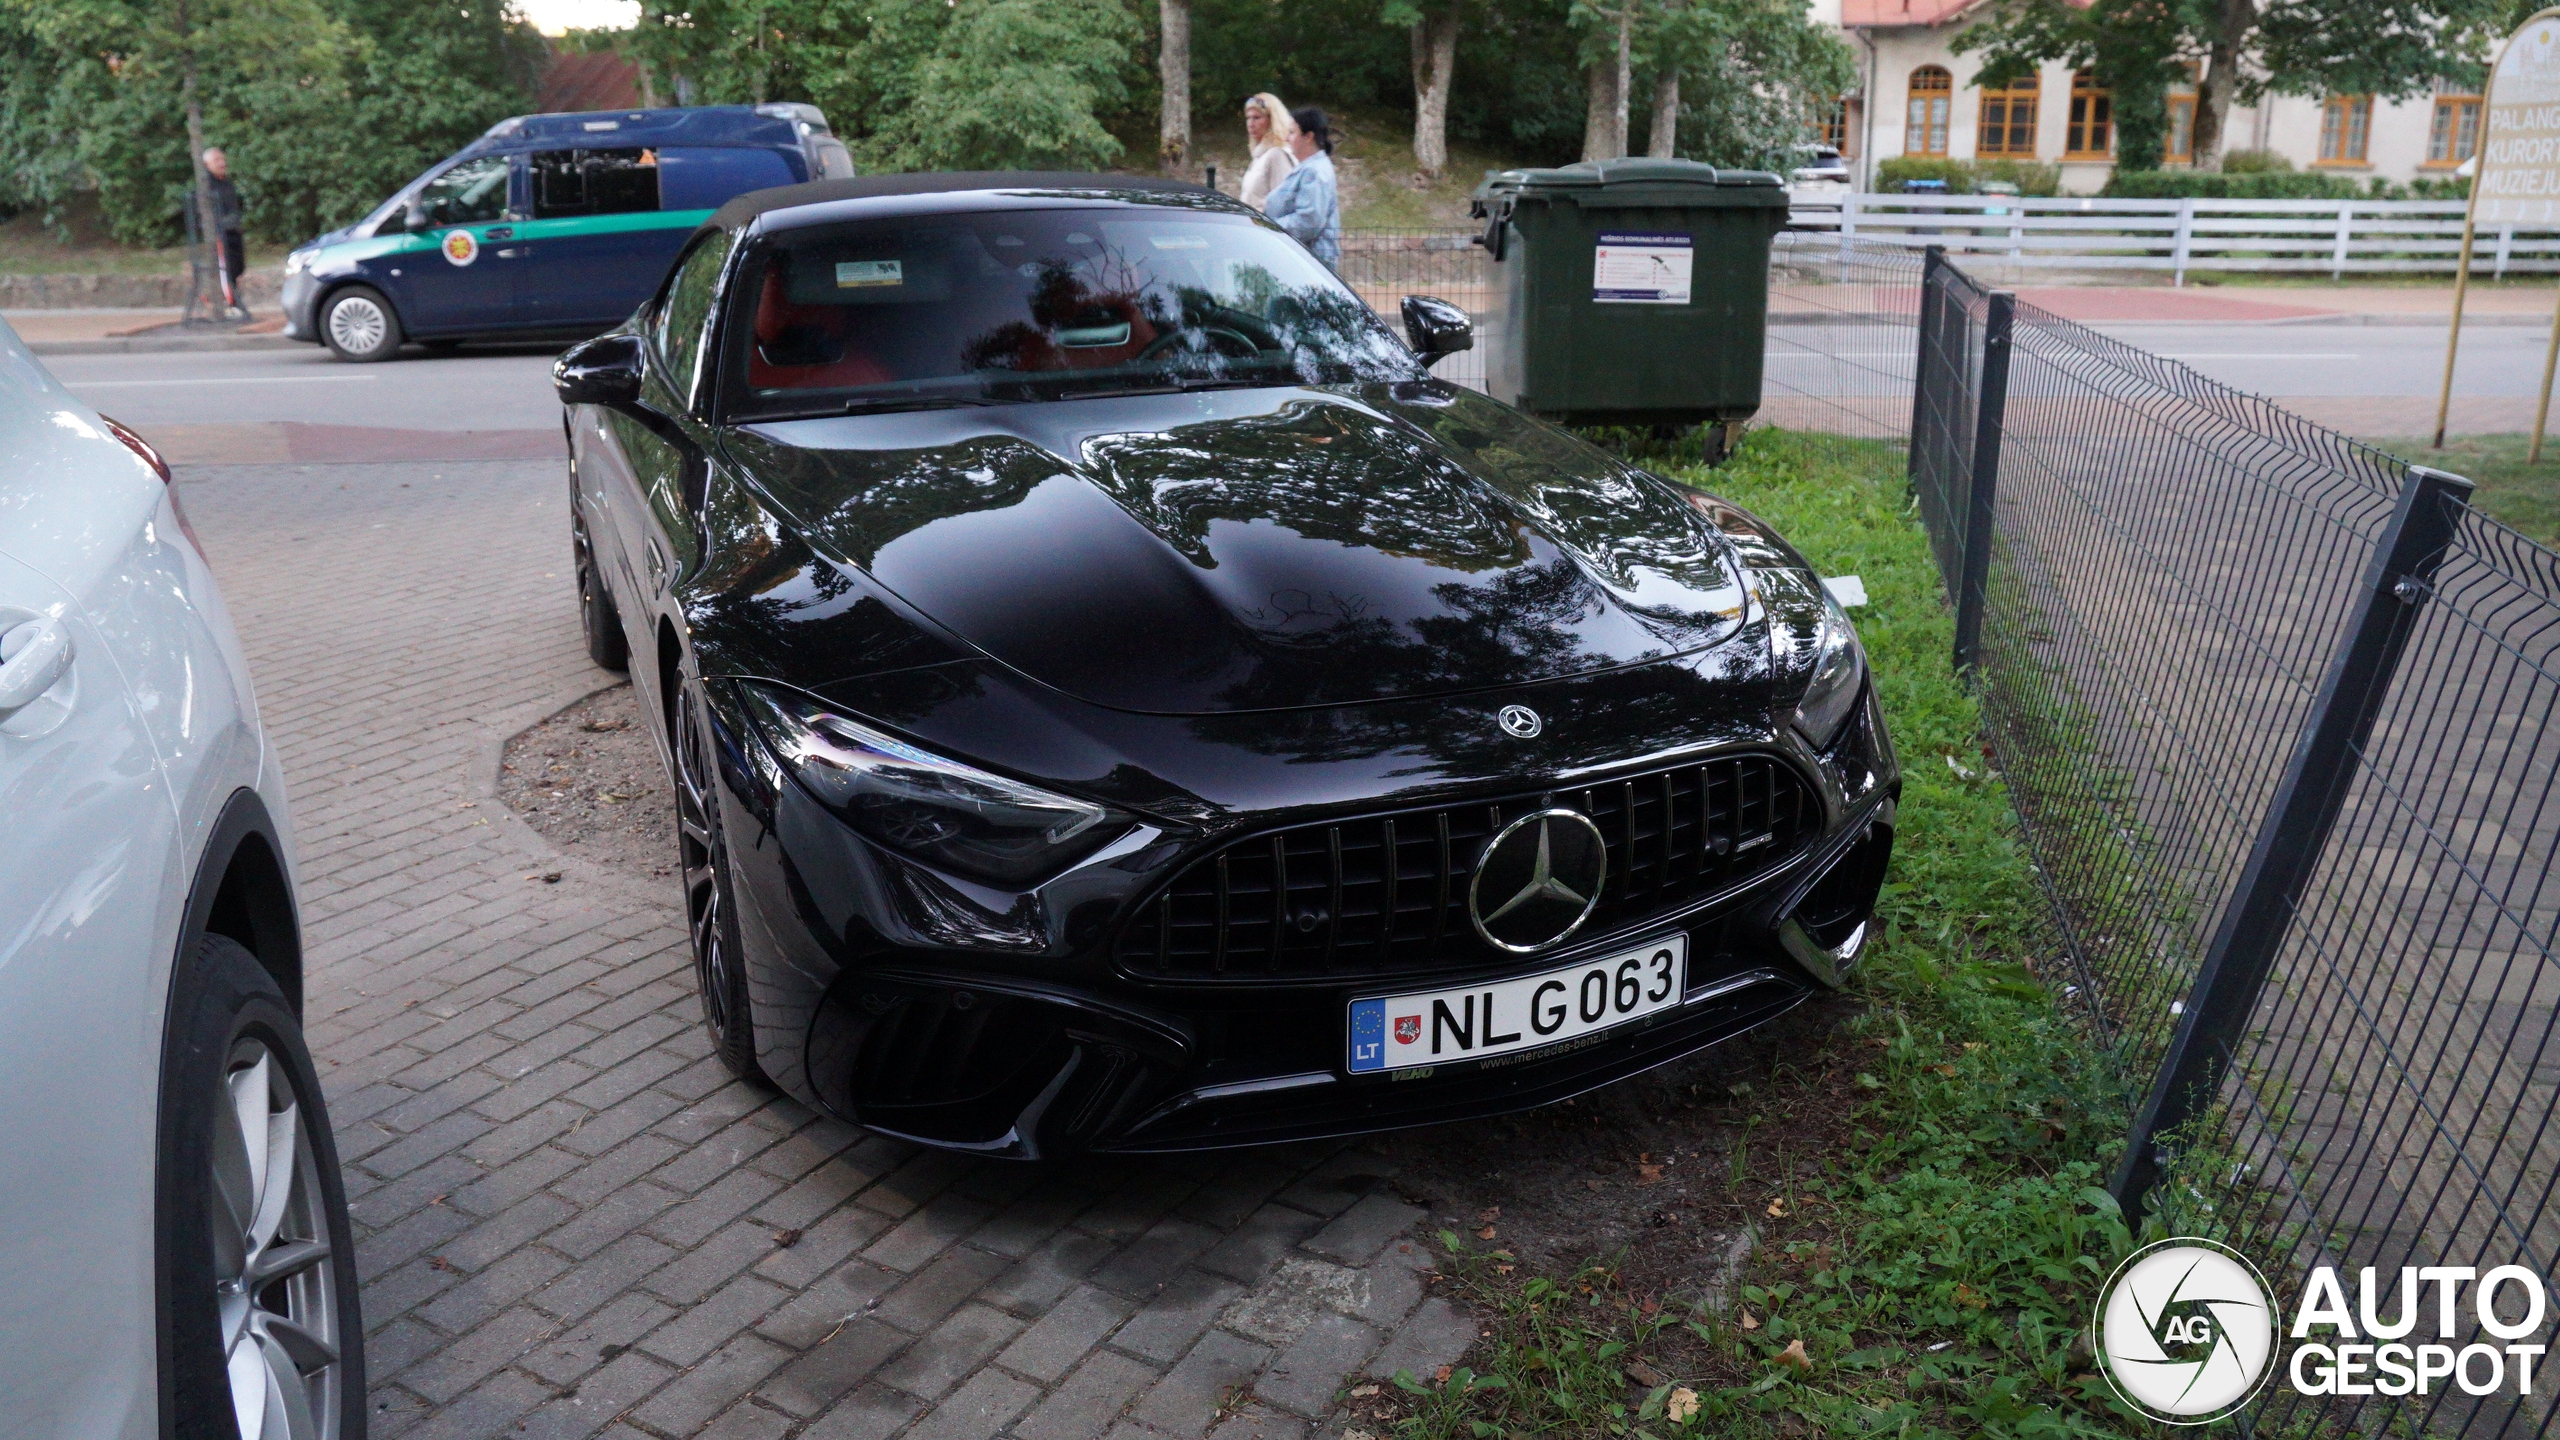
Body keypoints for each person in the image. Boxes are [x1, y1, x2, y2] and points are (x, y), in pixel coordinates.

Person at [1263, 106, 1339, 269]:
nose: (1287, 138)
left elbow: (1308, 221)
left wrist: (1269, 227)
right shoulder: (1309, 168)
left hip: (1312, 264)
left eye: (1292, 132)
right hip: (1305, 260)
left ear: (1308, 137)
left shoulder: (1314, 171)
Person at [202, 147, 247, 317]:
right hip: (220, 234)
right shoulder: (207, 186)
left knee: (238, 267)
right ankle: (232, 304)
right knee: (226, 270)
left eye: (223, 159)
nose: (223, 163)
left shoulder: (227, 183)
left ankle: (212, 297)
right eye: (217, 160)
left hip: (234, 231)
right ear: (207, 165)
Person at [1239, 93, 1297, 211]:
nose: (1250, 124)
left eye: (1257, 118)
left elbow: (1283, 203)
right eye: (1248, 118)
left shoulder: (1278, 154)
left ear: (1272, 120)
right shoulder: (1259, 156)